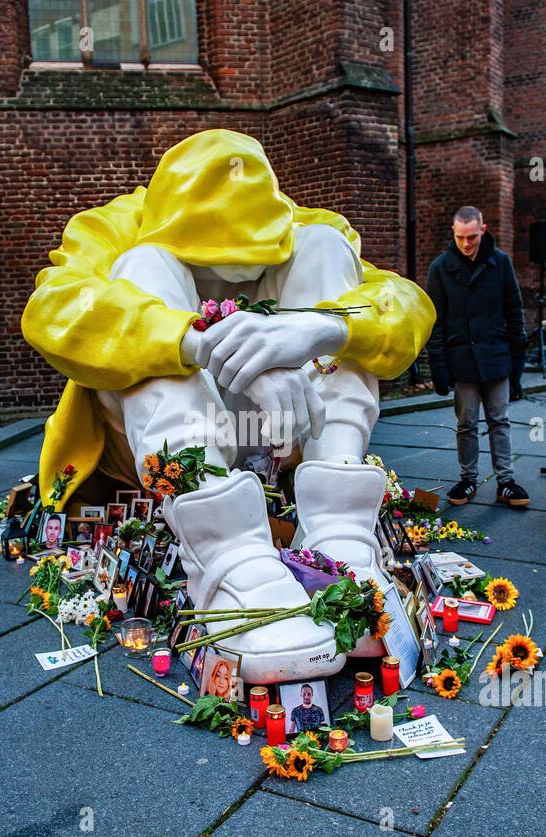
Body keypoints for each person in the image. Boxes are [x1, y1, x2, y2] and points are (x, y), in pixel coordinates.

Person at [22, 130, 433, 684]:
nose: (229, 292)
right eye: (209, 275)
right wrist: (202, 343)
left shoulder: (306, 225)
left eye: (249, 274)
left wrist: (321, 329)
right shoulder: (118, 226)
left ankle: (337, 533)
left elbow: (404, 307)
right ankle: (230, 563)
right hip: (153, 453)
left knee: (328, 256)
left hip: (280, 443)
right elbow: (54, 311)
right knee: (141, 266)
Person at [424, 206, 530, 508]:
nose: (466, 244)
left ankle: (506, 481)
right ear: (453, 233)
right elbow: (436, 322)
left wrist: (517, 366)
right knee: (466, 423)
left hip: (496, 356)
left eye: (471, 237)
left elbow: (514, 313)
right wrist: (439, 367)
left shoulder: (501, 263)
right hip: (462, 360)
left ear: (482, 230)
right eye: (460, 237)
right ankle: (468, 478)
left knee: (500, 421)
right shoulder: (441, 268)